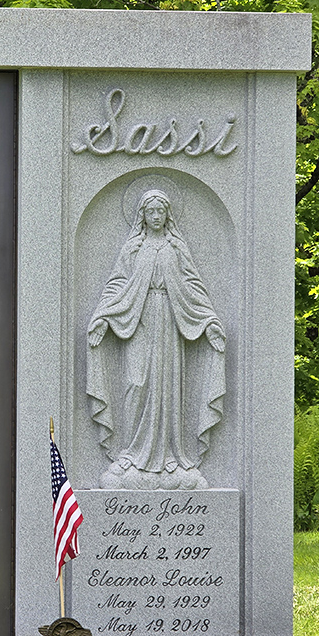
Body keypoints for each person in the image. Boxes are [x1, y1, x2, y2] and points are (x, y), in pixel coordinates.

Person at [86, 189, 225, 490]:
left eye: (161, 211)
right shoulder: (133, 248)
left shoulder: (176, 247)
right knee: (136, 384)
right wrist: (103, 317)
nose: (157, 216)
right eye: (151, 211)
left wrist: (209, 322)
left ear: (168, 214)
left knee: (168, 387)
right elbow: (117, 284)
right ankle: (131, 452)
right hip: (137, 320)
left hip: (171, 323)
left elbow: (193, 286)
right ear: (143, 216)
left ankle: (170, 457)